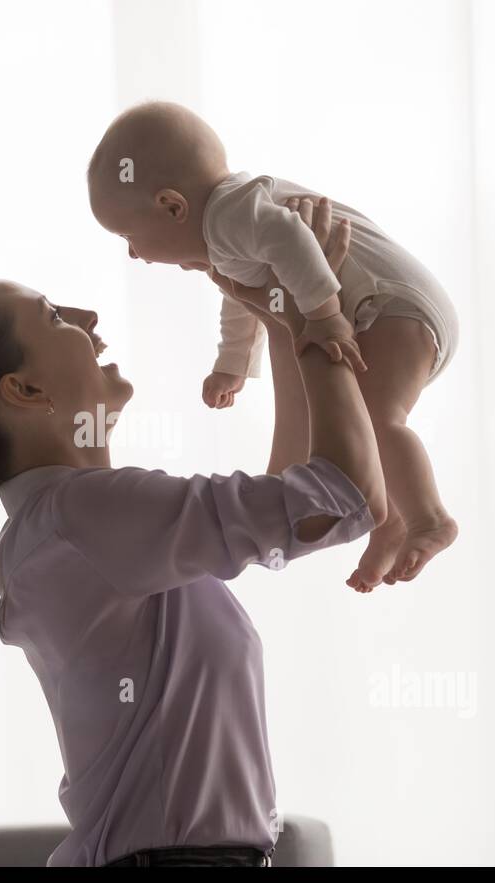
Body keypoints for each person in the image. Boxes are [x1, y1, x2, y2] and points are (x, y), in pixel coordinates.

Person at [0, 206, 383, 866]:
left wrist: (288, 316)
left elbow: (297, 497)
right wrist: (320, 311)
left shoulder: (78, 529)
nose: (88, 319)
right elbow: (344, 497)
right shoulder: (85, 519)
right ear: (26, 388)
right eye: (56, 318)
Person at [87, 100, 459, 589]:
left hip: (391, 309)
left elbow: (292, 240)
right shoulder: (227, 227)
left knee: (378, 418)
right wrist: (232, 364)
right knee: (361, 425)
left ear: (173, 206)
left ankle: (430, 519)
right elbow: (250, 299)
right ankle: (389, 522)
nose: (134, 254)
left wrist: (324, 319)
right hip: (389, 308)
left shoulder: (229, 214)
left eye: (129, 237)